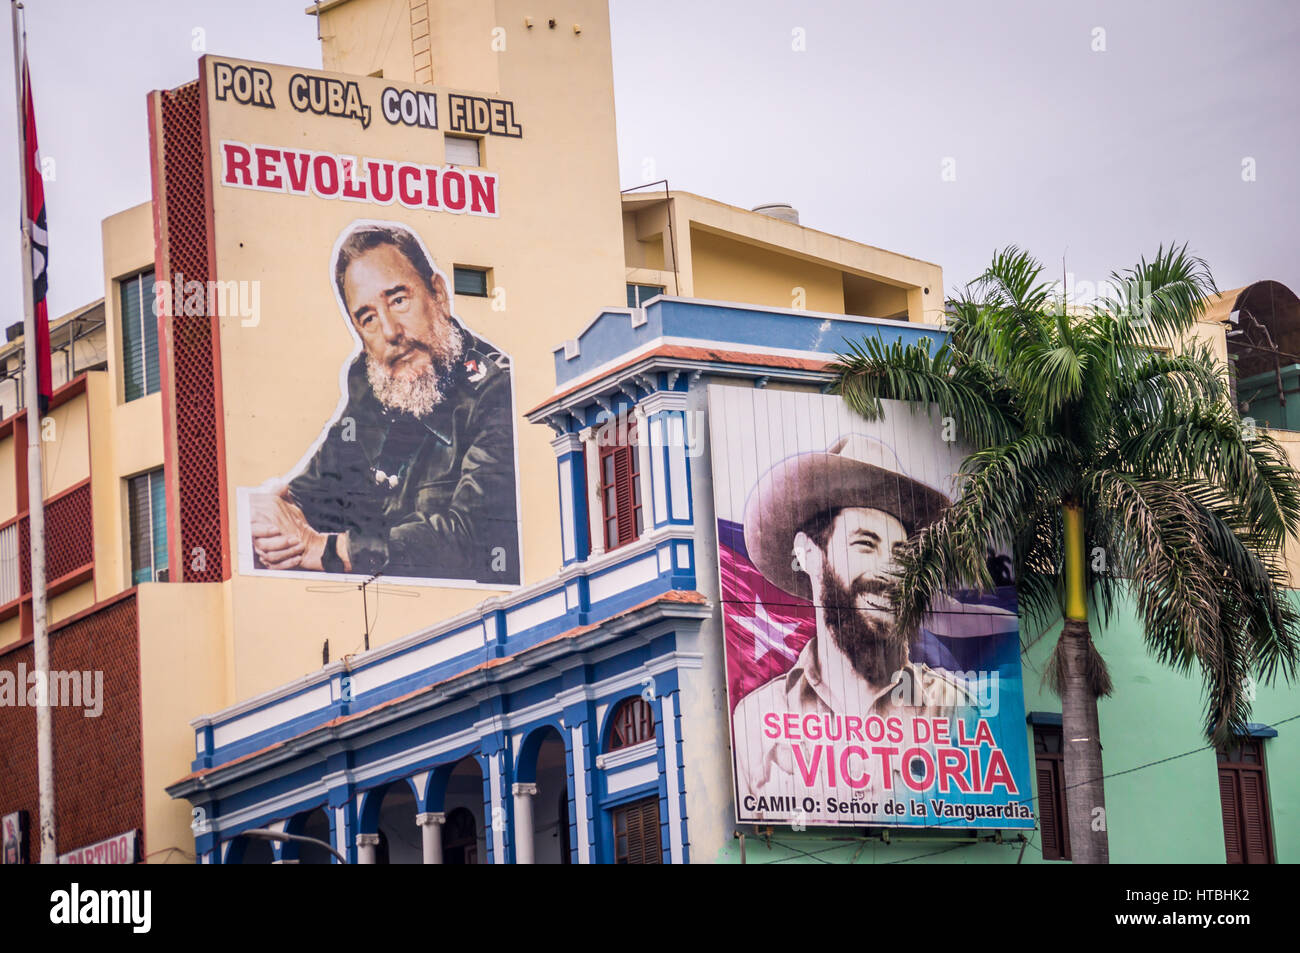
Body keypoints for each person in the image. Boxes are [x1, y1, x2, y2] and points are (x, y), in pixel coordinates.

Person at [731, 434, 1016, 806]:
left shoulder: (954, 707)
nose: (889, 571)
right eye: (865, 544)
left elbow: (988, 805)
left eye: (901, 554)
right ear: (810, 555)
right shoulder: (756, 718)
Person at [249, 222, 519, 584]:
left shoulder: (496, 390)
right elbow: (312, 492)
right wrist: (272, 513)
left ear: (438, 293)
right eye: (368, 318)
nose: (391, 331)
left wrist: (326, 550)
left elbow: (471, 535)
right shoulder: (372, 386)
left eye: (398, 300)